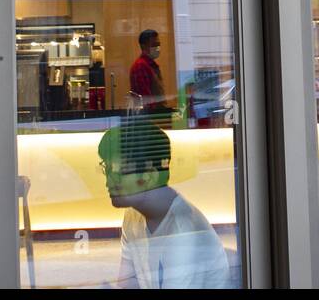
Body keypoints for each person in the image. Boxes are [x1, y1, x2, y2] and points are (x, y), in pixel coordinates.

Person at [98, 120, 229, 288]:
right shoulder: (133, 215)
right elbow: (127, 284)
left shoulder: (182, 232)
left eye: (119, 169)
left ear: (150, 175)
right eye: (106, 168)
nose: (108, 180)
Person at [129, 29, 168, 114]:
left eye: (159, 44)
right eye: (154, 45)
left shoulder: (151, 65)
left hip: (157, 116)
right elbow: (146, 99)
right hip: (150, 118)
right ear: (143, 46)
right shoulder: (141, 66)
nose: (157, 48)